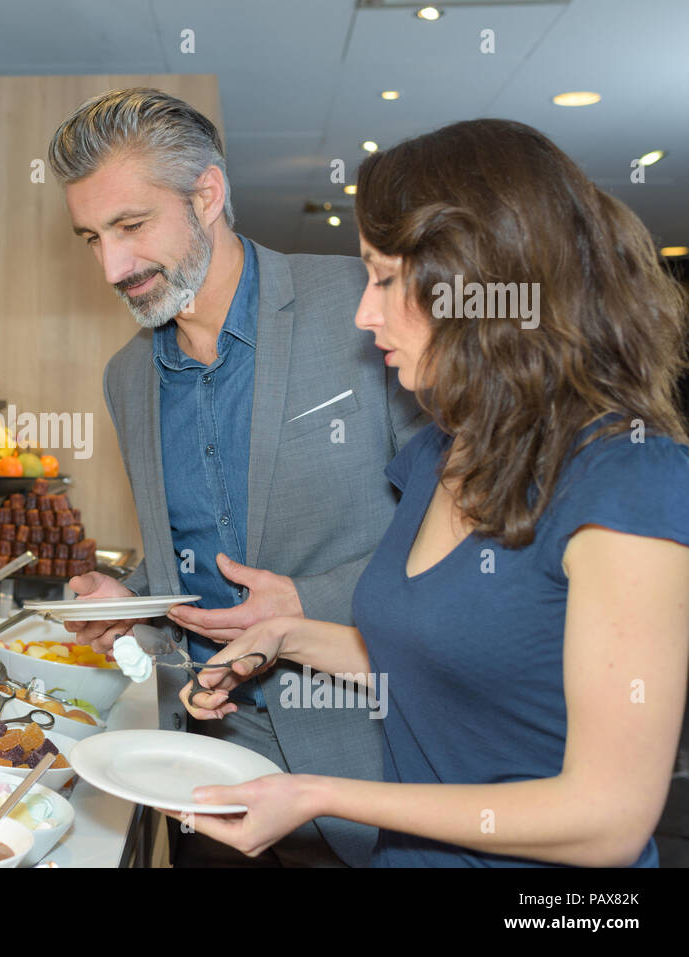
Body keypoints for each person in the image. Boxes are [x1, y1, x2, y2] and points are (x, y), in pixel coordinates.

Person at [171, 117, 689, 867]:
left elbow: (605, 818)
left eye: (384, 279)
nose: (363, 312)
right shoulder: (439, 454)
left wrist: (320, 793)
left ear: (478, 287)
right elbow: (437, 659)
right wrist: (284, 639)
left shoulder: (629, 482)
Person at [46, 88, 426, 867]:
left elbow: (460, 533)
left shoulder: (360, 309)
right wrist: (136, 599)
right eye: (91, 237)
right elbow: (188, 567)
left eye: (130, 225)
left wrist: (304, 605)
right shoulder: (126, 377)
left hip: (376, 766)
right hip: (205, 776)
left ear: (208, 194)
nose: (112, 267)